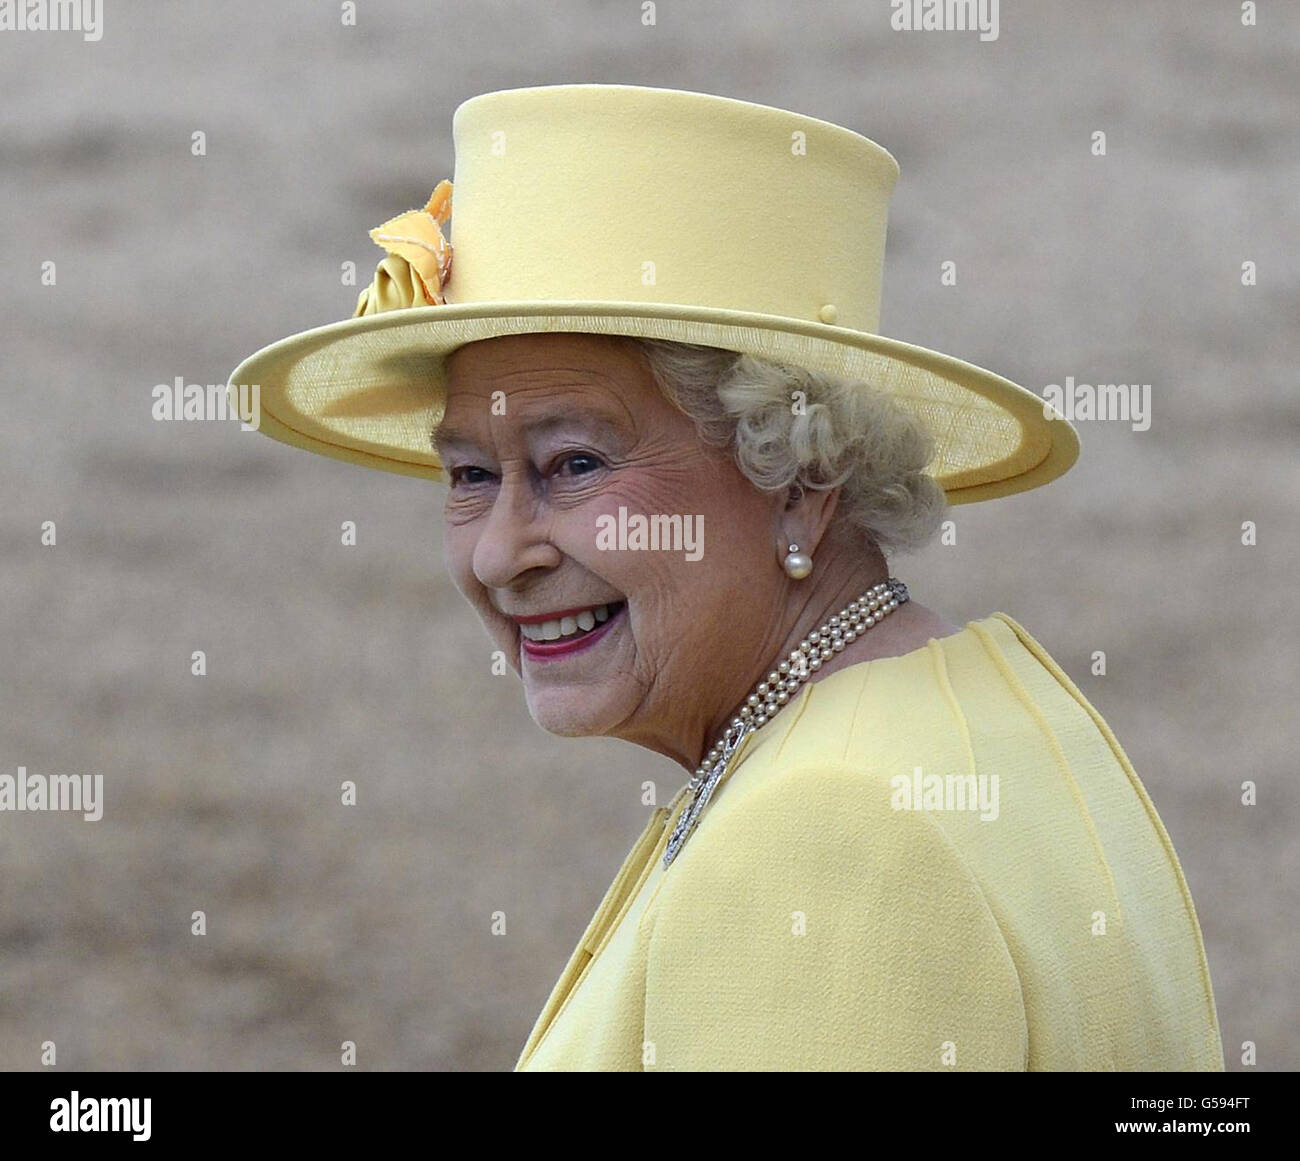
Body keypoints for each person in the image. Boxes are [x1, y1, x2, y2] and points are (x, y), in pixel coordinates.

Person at [229, 83, 1224, 1071]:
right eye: (471, 476)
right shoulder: (995, 710)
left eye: (574, 464)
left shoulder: (823, 843)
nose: (500, 553)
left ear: (802, 481)